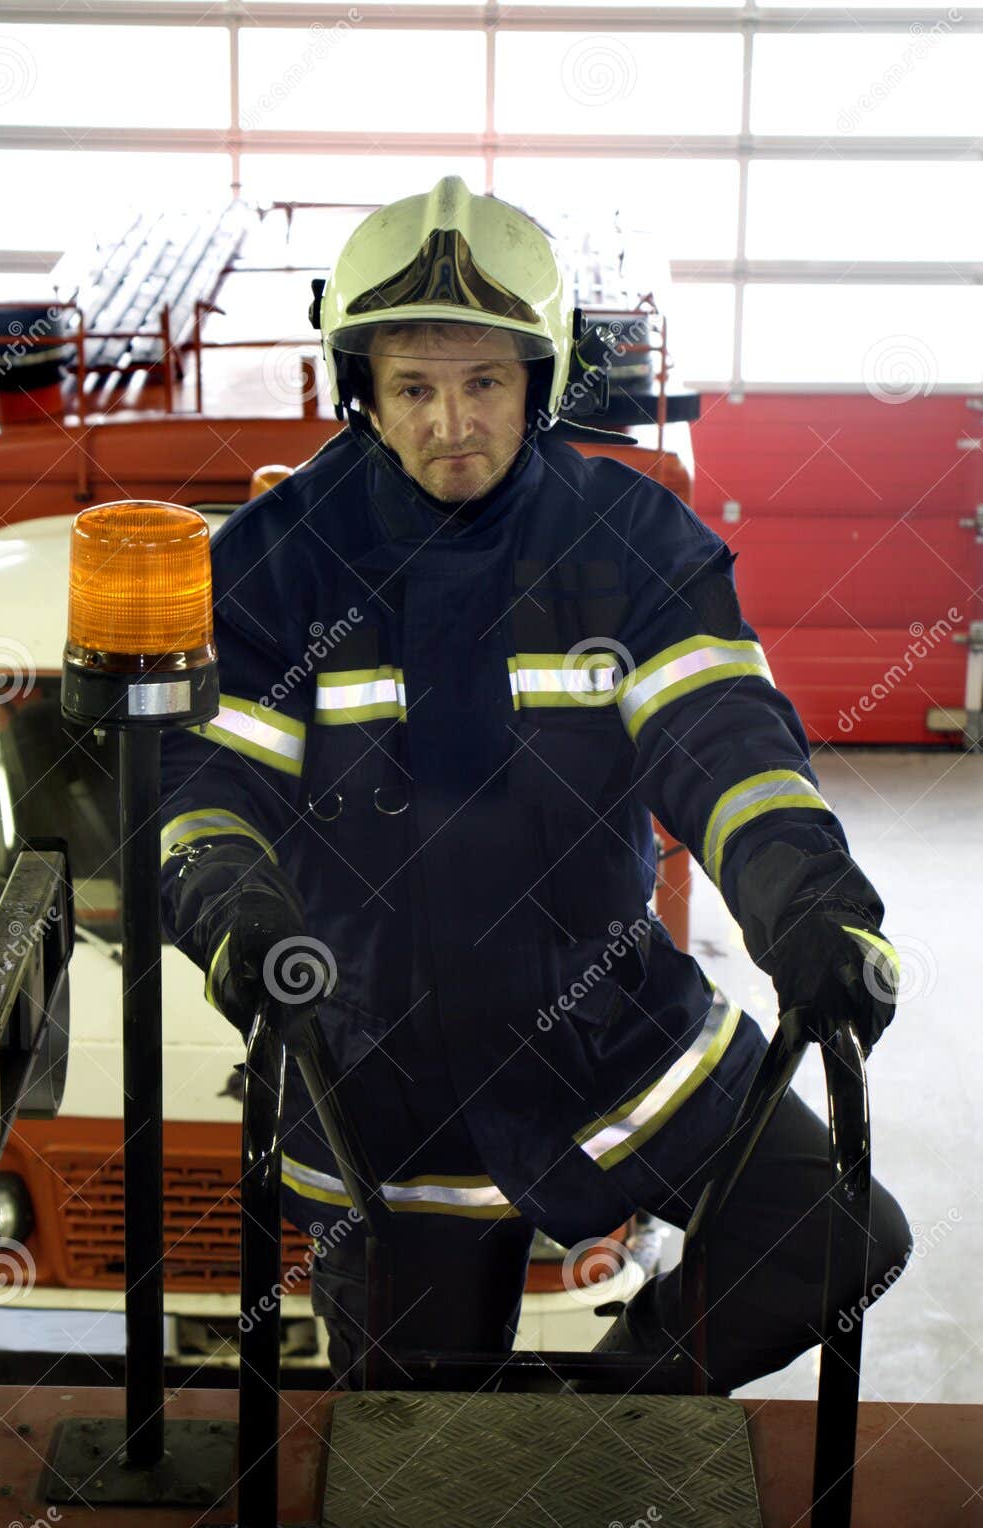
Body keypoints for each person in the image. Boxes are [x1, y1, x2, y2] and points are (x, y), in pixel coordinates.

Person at [159, 176, 910, 1394]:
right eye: (412, 386)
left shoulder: (628, 543)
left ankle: (603, 1434)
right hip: (377, 1090)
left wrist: (810, 905)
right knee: (413, 1455)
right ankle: (492, 1478)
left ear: (538, 381)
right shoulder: (271, 564)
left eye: (483, 383)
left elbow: (725, 743)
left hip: (609, 1035)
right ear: (361, 389)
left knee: (833, 1240)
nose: (449, 421)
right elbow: (204, 786)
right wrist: (229, 908)